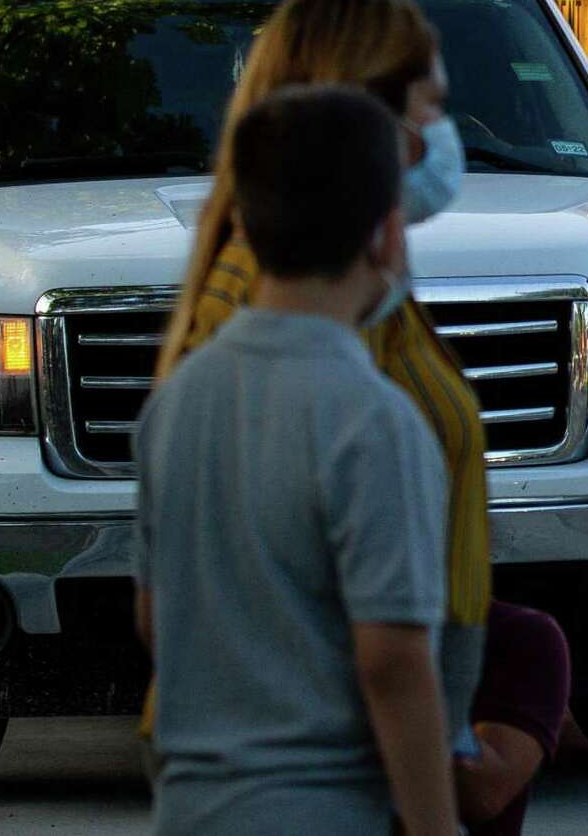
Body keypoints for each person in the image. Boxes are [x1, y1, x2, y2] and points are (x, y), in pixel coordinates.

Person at [149, 0, 568, 835]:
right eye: (435, 109)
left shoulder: (309, 326)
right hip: (347, 781)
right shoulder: (340, 379)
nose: (445, 138)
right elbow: (383, 650)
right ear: (373, 127)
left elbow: (163, 607)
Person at [135, 85, 459, 834]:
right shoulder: (377, 422)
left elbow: (156, 616)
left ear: (245, 225)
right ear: (386, 234)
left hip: (189, 808)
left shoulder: (177, 402)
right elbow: (393, 660)